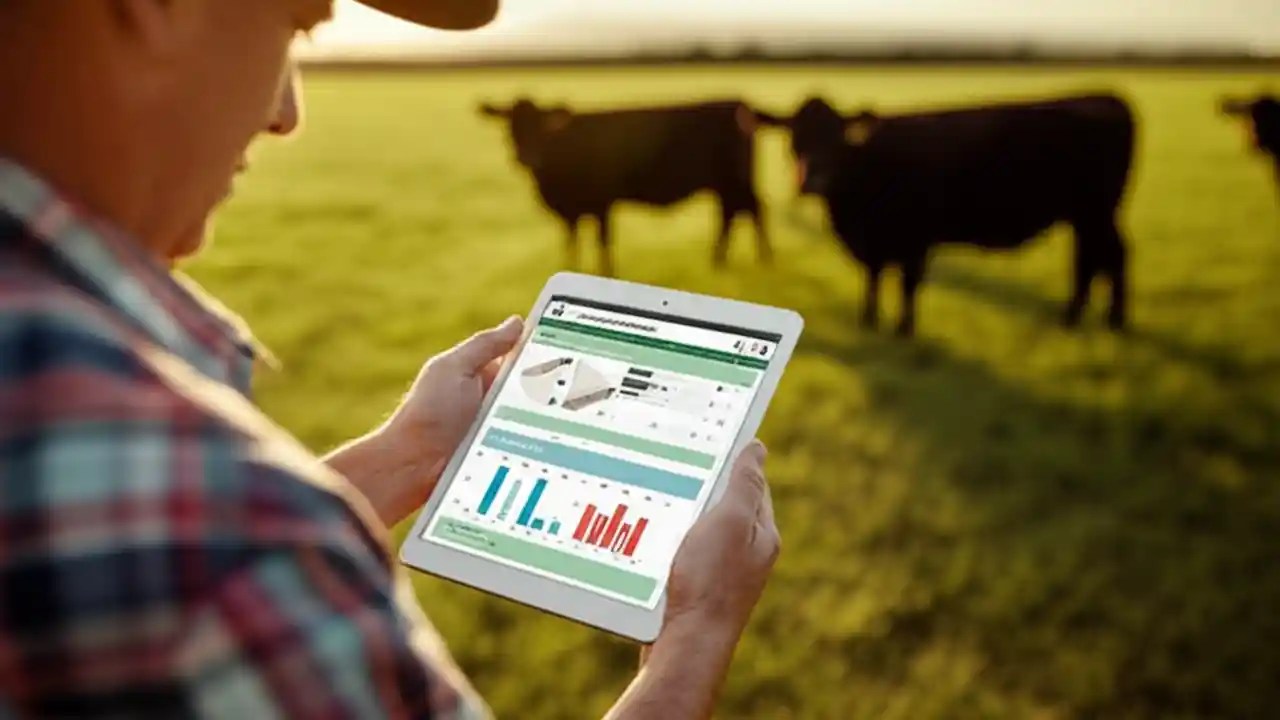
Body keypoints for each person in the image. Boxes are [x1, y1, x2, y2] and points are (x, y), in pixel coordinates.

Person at [0, 1, 781, 718]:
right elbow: (210, 550)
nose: (286, 113)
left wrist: (403, 456)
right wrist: (695, 634)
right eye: (297, 22)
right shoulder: (223, 539)